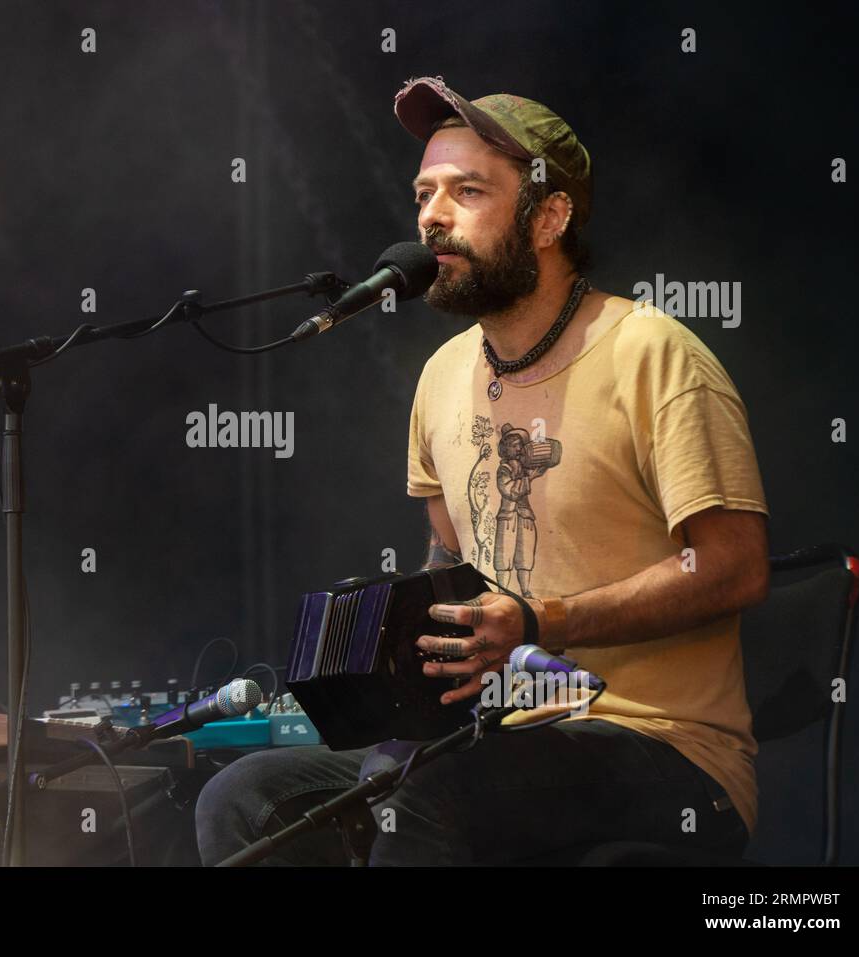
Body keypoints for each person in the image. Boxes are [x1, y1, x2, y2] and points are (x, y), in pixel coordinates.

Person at [194, 76, 770, 866]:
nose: (432, 214)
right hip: (488, 736)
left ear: (549, 217)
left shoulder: (653, 354)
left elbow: (735, 567)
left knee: (429, 794)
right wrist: (391, 656)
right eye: (425, 191)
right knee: (246, 795)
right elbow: (450, 566)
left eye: (468, 191)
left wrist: (540, 621)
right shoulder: (441, 375)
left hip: (663, 746)